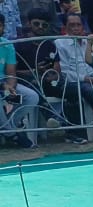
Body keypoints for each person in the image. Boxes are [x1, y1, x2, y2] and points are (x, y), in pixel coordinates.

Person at [54, 13, 93, 143]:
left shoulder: (88, 41)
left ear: (83, 26)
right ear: (65, 27)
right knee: (90, 90)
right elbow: (64, 71)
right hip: (74, 81)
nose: (76, 28)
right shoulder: (60, 43)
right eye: (72, 25)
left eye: (78, 25)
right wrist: (86, 78)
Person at [0, 14, 40, 148]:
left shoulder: (6, 44)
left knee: (31, 97)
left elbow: (11, 72)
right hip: (1, 87)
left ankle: (7, 128)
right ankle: (12, 134)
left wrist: (10, 87)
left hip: (4, 86)